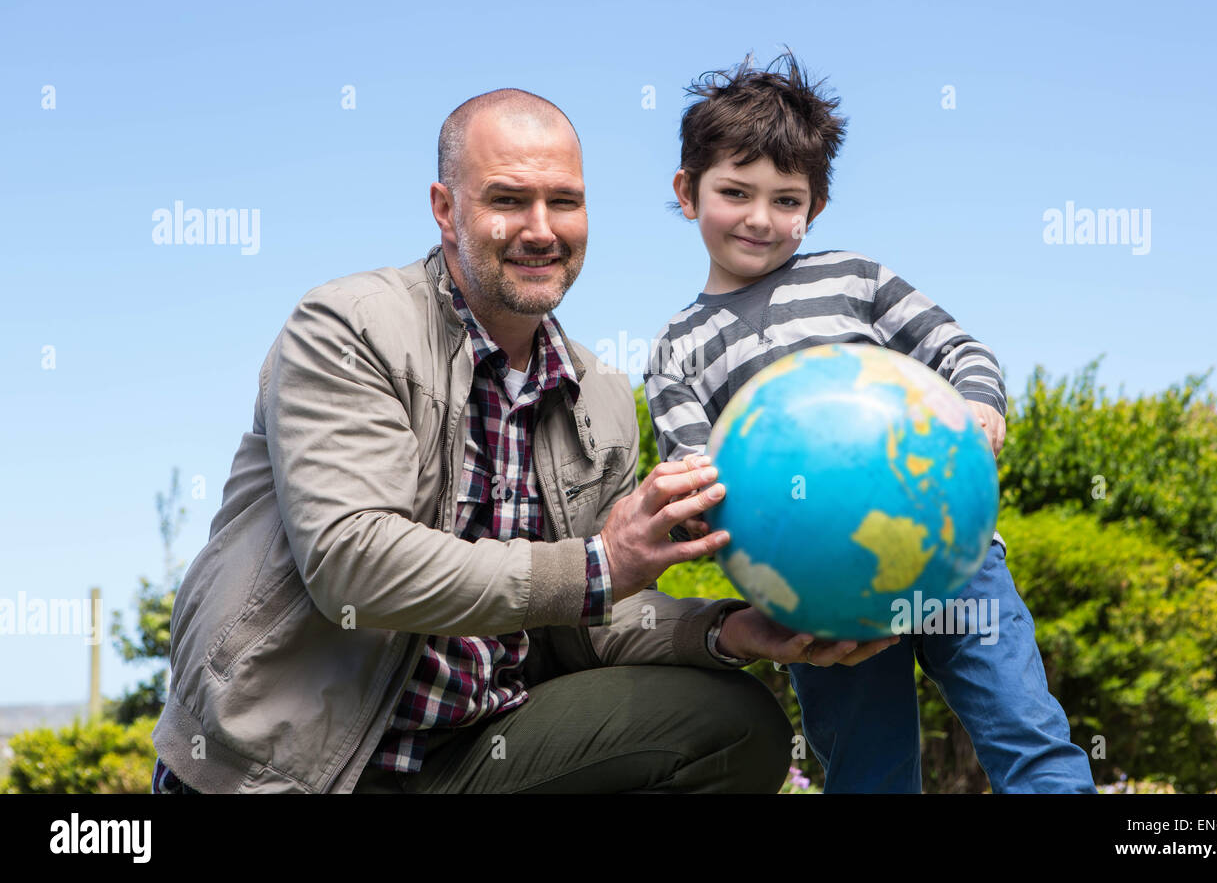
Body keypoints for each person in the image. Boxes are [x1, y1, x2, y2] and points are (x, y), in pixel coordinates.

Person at [151, 87, 895, 794]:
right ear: (446, 209)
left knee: (736, 726)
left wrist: (732, 630)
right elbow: (352, 562)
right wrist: (601, 564)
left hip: (476, 752)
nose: (542, 229)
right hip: (299, 771)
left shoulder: (599, 398)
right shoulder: (349, 327)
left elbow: (596, 618)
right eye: (508, 200)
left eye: (564, 202)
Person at [643, 52, 1098, 793]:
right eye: (734, 191)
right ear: (686, 192)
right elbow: (695, 482)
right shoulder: (675, 350)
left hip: (954, 557)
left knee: (1028, 735)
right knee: (867, 772)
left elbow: (959, 349)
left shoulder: (855, 277)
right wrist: (705, 521)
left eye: (787, 200)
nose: (761, 218)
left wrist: (980, 404)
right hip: (813, 594)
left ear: (814, 208)